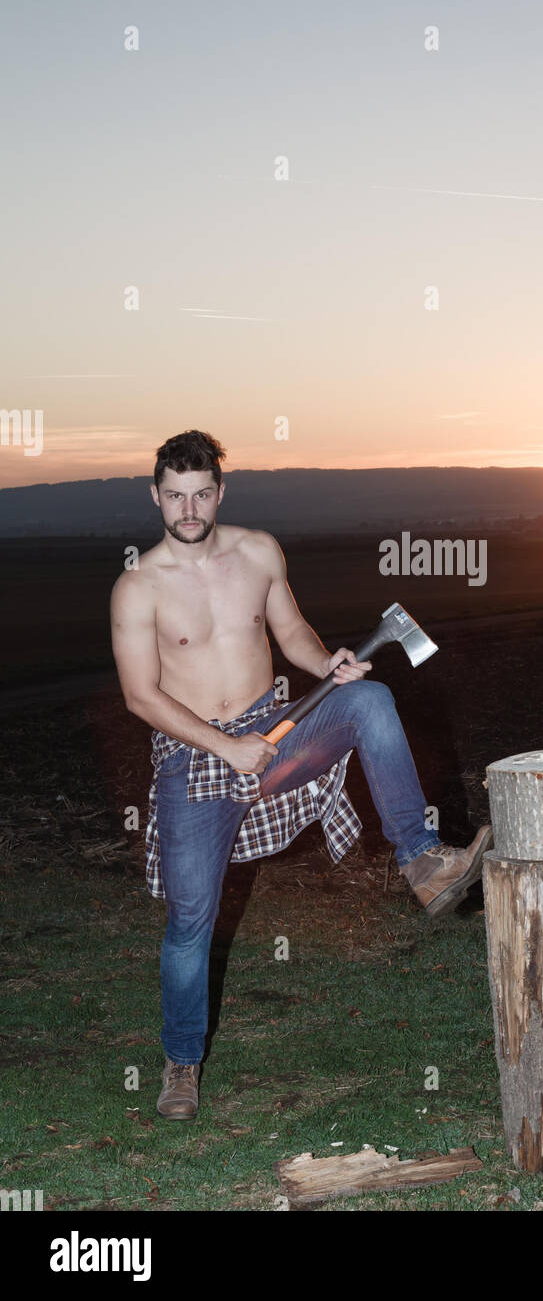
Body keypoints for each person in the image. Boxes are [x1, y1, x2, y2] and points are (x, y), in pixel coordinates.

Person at [109, 430, 492, 1120]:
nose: (189, 509)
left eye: (201, 495)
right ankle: (181, 1064)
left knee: (369, 700)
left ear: (220, 492)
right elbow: (142, 697)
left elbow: (292, 637)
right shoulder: (138, 588)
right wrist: (227, 749)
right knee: (191, 921)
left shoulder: (259, 552)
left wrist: (326, 667)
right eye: (175, 496)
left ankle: (423, 862)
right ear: (155, 496)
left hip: (276, 732)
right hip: (195, 758)